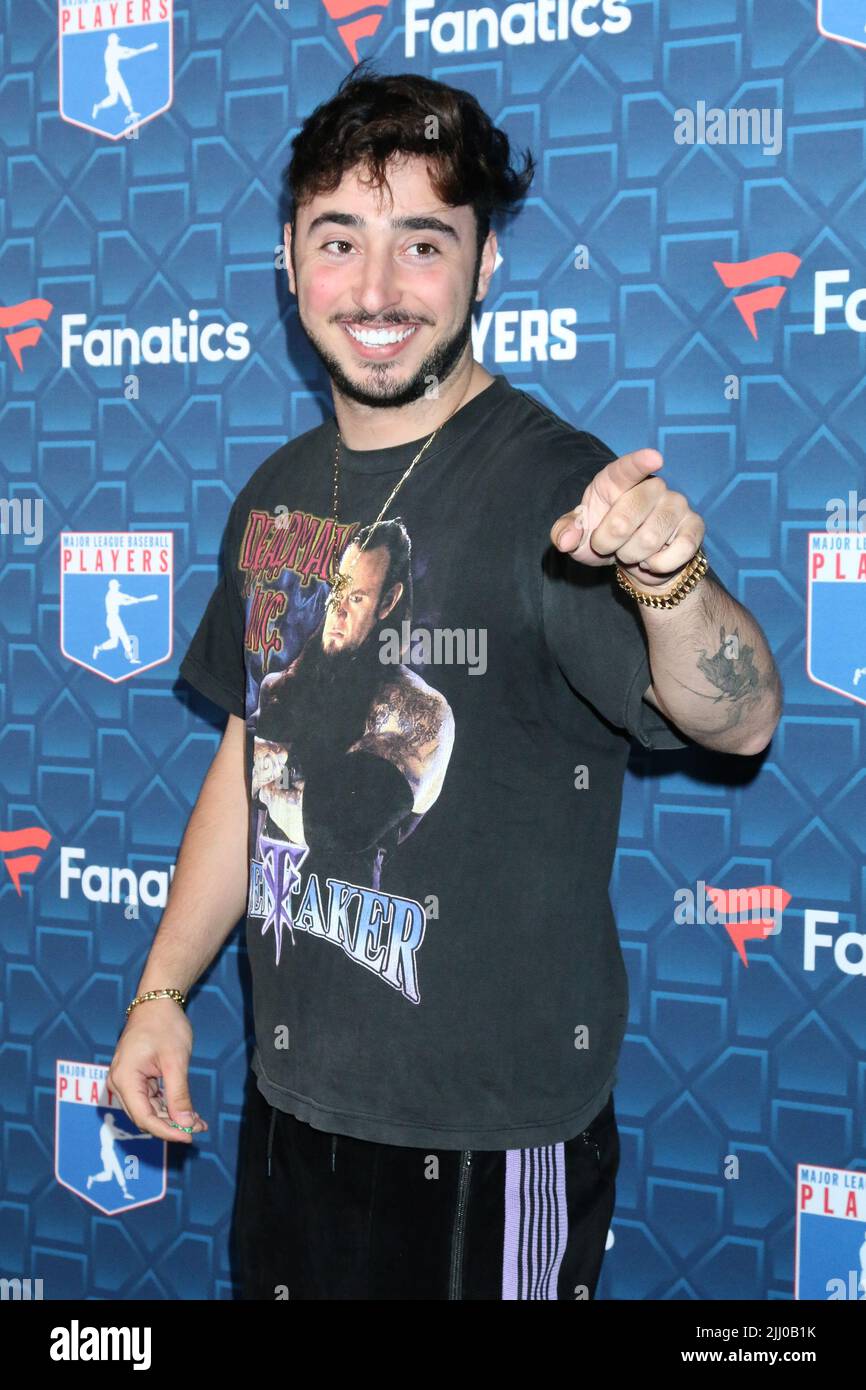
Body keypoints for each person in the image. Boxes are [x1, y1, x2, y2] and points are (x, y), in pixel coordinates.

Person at [108, 60, 782, 1301]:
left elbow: (737, 718)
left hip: (488, 1149)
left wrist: (672, 582)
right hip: (291, 1110)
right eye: (339, 240)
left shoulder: (551, 489)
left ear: (484, 270)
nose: (374, 290)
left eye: (423, 243)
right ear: (285, 263)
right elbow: (249, 760)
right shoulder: (274, 497)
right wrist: (163, 988)